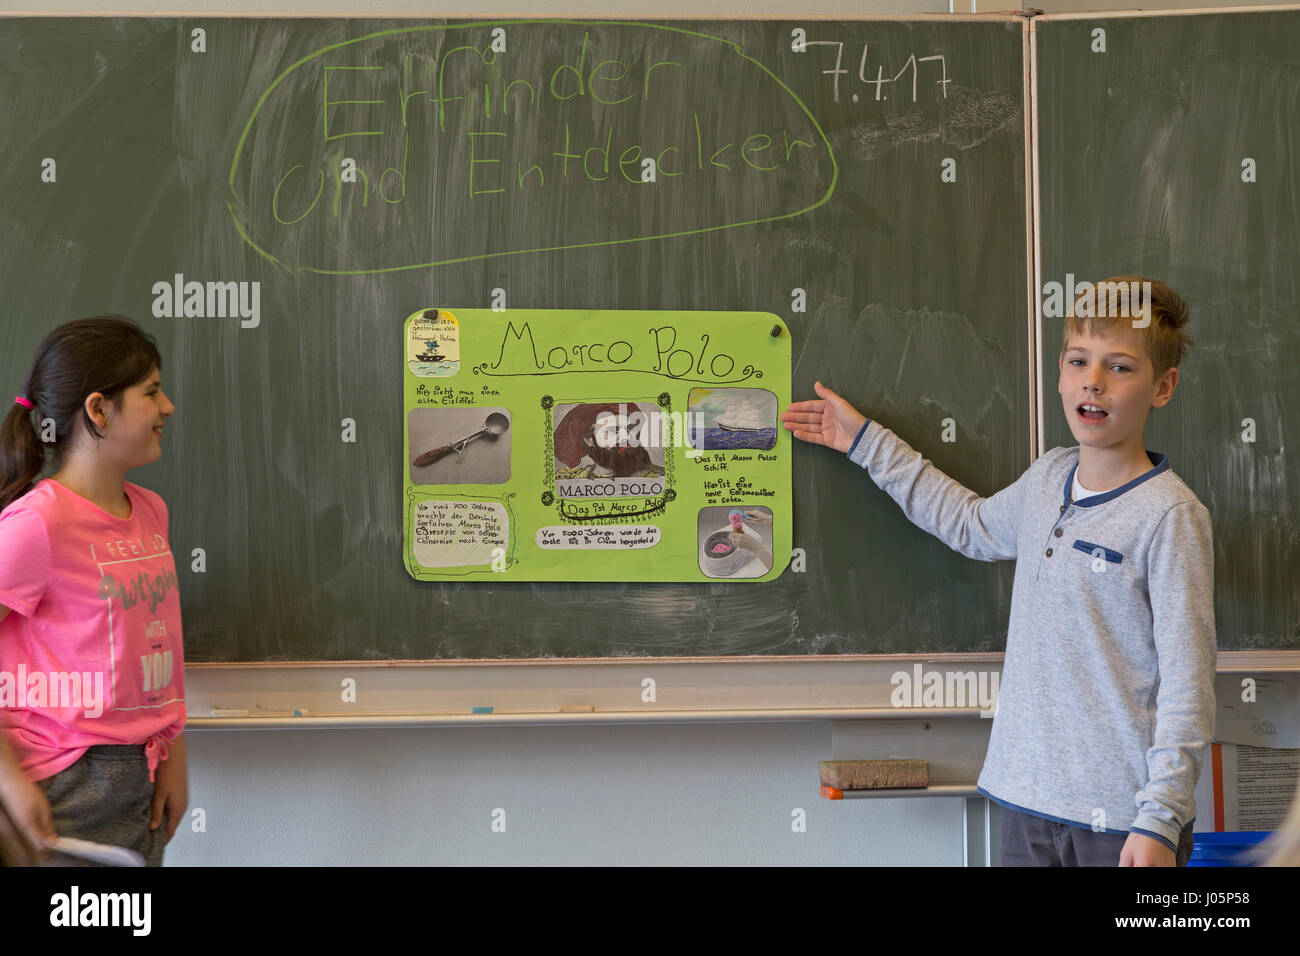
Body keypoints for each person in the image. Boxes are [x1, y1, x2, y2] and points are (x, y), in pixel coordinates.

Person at [783, 277, 1214, 866]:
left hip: (1121, 823)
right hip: (1023, 800)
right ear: (1060, 372)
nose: (1093, 380)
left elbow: (1189, 683)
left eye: (1120, 367)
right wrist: (863, 441)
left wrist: (1161, 820)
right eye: (1079, 361)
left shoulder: (1171, 515)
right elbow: (967, 523)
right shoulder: (1047, 479)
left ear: (1162, 387)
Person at [0, 316, 186, 866]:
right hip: (60, 786)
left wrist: (172, 753)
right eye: (151, 391)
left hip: (141, 779)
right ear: (98, 410)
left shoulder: (151, 511)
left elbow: (156, 652)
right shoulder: (36, 526)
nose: (168, 406)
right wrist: (8, 782)